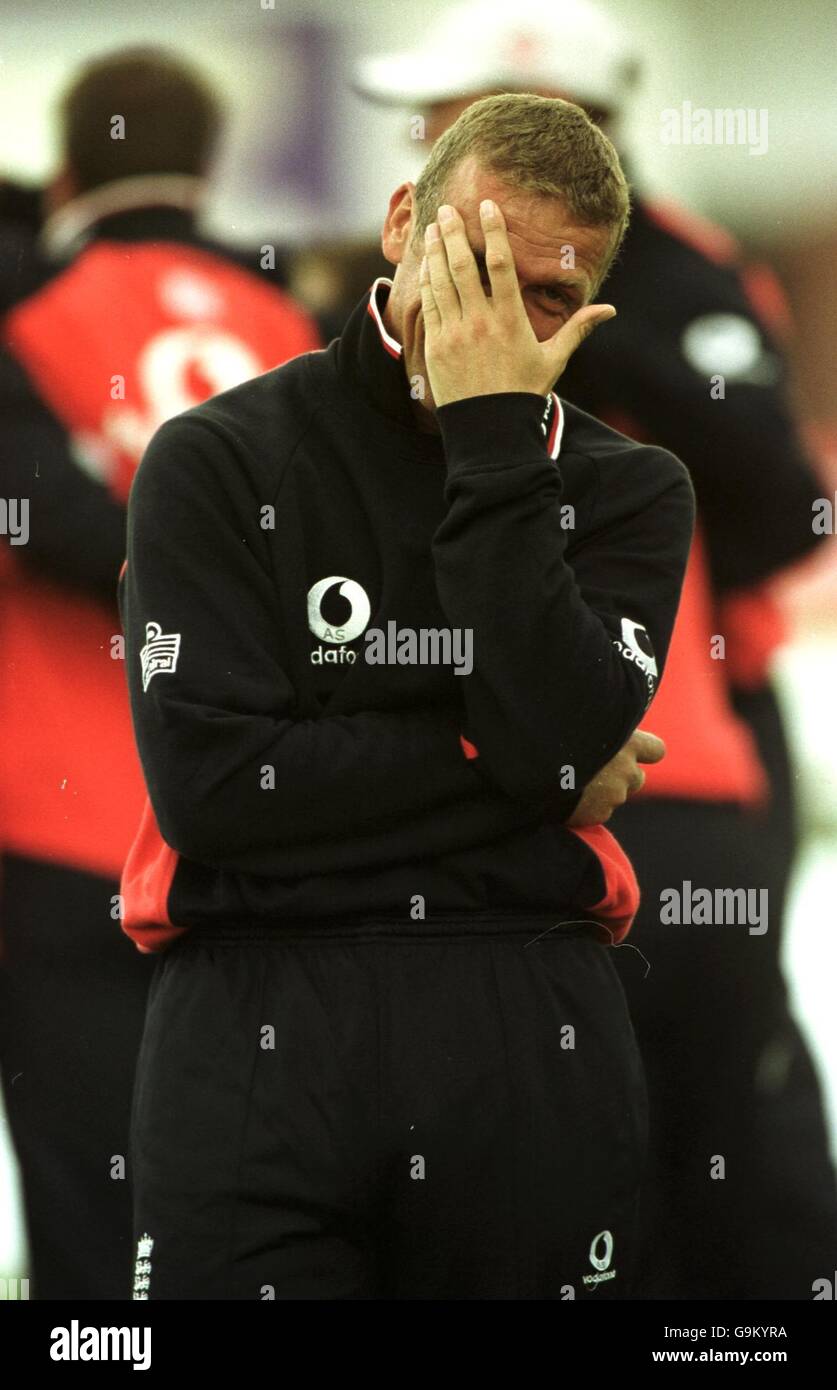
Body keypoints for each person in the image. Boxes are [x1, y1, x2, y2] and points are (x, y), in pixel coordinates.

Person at [119, 92, 694, 1301]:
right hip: (256, 1013)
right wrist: (520, 766)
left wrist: (493, 446)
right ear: (400, 225)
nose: (498, 318)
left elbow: (549, 737)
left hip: (521, 1007)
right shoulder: (216, 457)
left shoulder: (631, 487)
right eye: (474, 263)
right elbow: (217, 793)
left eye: (546, 296)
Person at [353, 0, 837, 1299]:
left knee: (719, 1124)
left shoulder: (676, 268)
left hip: (681, 753)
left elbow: (787, 499)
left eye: (444, 119)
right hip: (499, 764)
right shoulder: (399, 297)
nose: (416, 148)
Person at [0, 46, 319, 1299]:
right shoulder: (292, 325)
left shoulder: (26, 310)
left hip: (68, 817)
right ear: (210, 167)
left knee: (94, 1216)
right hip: (264, 821)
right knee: (254, 1197)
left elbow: (36, 513)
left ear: (71, 165)